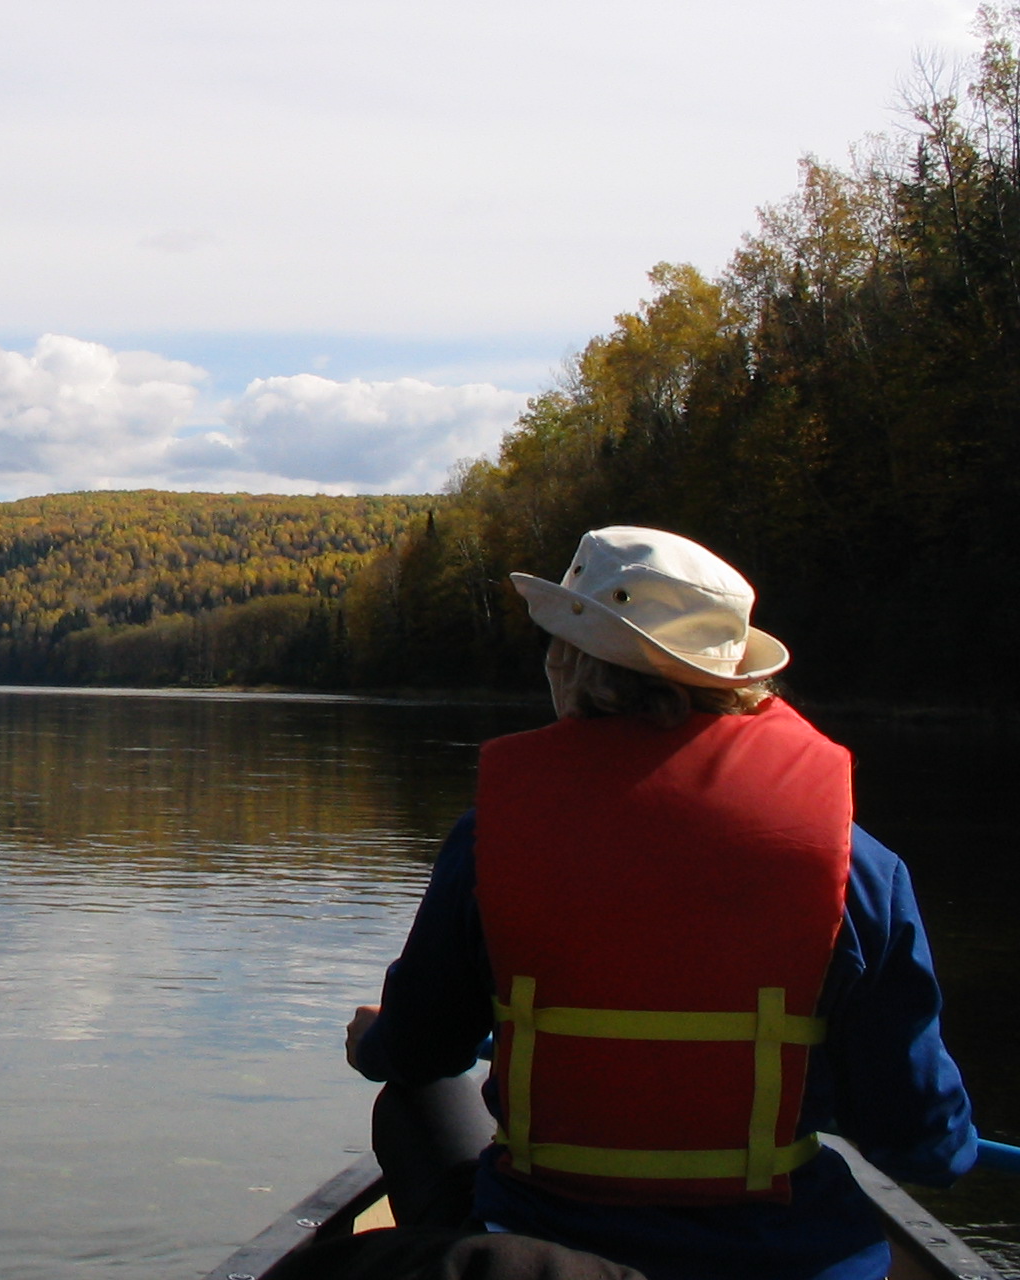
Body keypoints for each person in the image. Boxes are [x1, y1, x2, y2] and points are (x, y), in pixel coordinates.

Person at [324, 527, 976, 1280]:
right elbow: (924, 1144)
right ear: (738, 682)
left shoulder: (492, 840)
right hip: (791, 1258)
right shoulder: (860, 867)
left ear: (571, 664)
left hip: (549, 1252)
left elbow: (421, 1051)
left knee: (414, 1102)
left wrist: (374, 1043)